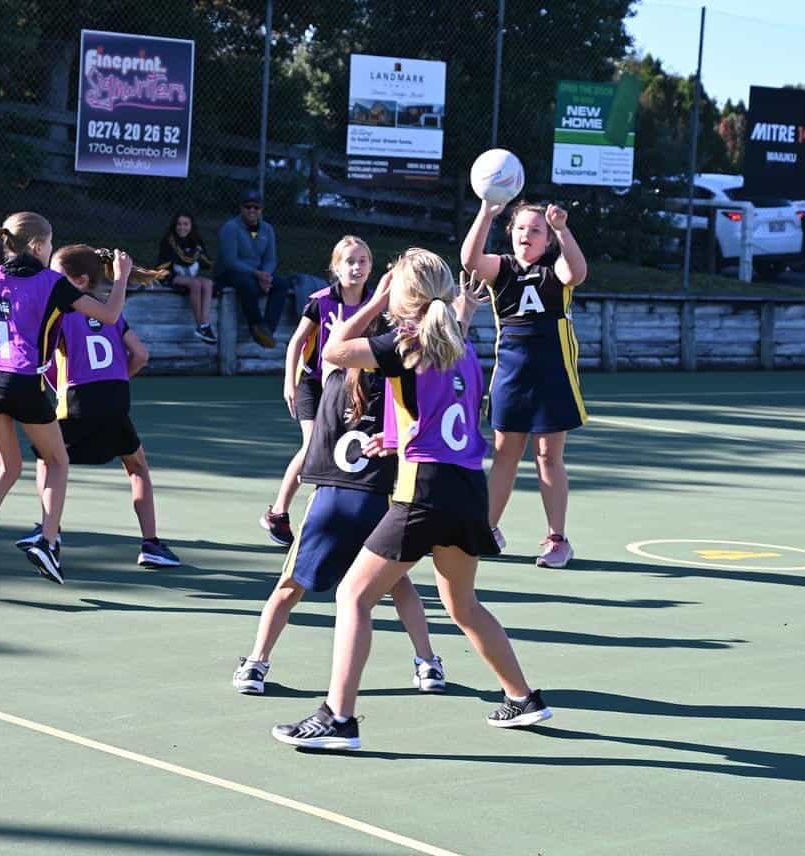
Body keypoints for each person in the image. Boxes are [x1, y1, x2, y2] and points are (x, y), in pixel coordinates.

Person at [271, 250, 551, 751]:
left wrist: (374, 299)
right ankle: (524, 697)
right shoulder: (461, 346)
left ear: (403, 295)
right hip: (466, 488)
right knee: (463, 605)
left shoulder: (406, 341)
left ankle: (339, 718)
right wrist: (397, 439)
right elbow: (442, 412)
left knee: (353, 596)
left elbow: (333, 351)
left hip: (424, 490)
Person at [234, 355, 445, 696]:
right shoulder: (400, 391)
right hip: (378, 501)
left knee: (288, 587)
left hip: (331, 500)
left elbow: (335, 348)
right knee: (399, 585)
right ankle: (428, 664)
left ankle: (255, 665)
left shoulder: (333, 381)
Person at [0, 212, 129, 586]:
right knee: (57, 459)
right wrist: (122, 275)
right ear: (38, 246)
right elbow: (109, 316)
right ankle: (47, 541)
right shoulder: (52, 283)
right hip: (23, 382)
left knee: (8, 467)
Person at [13, 244, 181, 569]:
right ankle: (151, 545)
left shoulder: (63, 314)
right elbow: (141, 355)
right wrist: (117, 379)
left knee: (47, 460)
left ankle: (49, 530)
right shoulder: (113, 313)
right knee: (137, 467)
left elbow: (44, 358)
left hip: (76, 400)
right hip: (116, 400)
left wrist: (57, 386)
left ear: (78, 281)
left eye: (58, 278)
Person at [461, 198, 589, 569]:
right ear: (510, 233)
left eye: (536, 231)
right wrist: (485, 211)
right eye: (520, 229)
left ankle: (557, 539)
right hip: (511, 376)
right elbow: (470, 262)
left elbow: (577, 272)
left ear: (548, 239)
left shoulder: (555, 268)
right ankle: (488, 529)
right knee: (505, 456)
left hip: (553, 376)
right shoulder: (502, 269)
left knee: (549, 457)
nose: (527, 236)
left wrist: (563, 230)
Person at [260, 236, 374, 547]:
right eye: (350, 261)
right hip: (313, 382)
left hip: (351, 385)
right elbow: (297, 342)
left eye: (363, 261)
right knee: (313, 447)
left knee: (347, 450)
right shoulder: (321, 301)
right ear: (336, 267)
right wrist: (289, 381)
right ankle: (278, 513)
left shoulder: (375, 302)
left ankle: (344, 519)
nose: (357, 267)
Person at [214, 190, 293, 348]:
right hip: (232, 272)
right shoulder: (230, 228)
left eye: (256, 207)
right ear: (241, 208)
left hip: (258, 273)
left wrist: (266, 276)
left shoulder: (267, 229)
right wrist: (258, 275)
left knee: (282, 284)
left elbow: (271, 259)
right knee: (247, 284)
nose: (252, 210)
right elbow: (230, 260)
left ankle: (267, 330)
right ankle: (256, 325)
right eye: (247, 207)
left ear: (261, 210)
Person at [157, 211, 217, 344]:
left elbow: (206, 262)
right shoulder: (169, 240)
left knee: (207, 283)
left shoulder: (195, 240)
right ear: (174, 225)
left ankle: (205, 324)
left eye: (186, 224)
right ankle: (199, 326)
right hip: (170, 275)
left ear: (191, 226)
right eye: (179, 224)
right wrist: (189, 255)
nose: (182, 227)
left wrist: (200, 255)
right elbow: (167, 264)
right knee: (195, 284)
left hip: (189, 275)